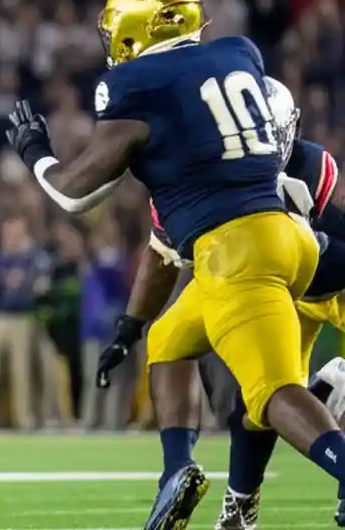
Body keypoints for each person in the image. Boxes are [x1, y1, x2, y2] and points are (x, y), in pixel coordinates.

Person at [6, 0, 345, 529]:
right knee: (168, 339)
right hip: (283, 240)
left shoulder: (137, 85)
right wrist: (130, 327)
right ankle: (176, 474)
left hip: (237, 251)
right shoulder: (238, 54)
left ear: (132, 32)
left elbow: (75, 193)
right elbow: (163, 246)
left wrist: (34, 150)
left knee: (271, 394)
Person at [96, 76, 345, 528]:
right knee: (241, 397)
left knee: (271, 393)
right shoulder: (197, 172)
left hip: (307, 278)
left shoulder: (312, 165)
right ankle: (220, 494)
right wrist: (130, 327)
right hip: (263, 279)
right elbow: (161, 258)